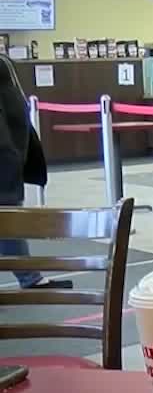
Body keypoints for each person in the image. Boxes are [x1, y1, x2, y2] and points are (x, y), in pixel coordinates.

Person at [0, 53, 67, 290]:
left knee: (7, 219)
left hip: (11, 152)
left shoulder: (4, 61)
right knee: (7, 218)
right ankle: (30, 278)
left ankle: (30, 278)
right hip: (5, 156)